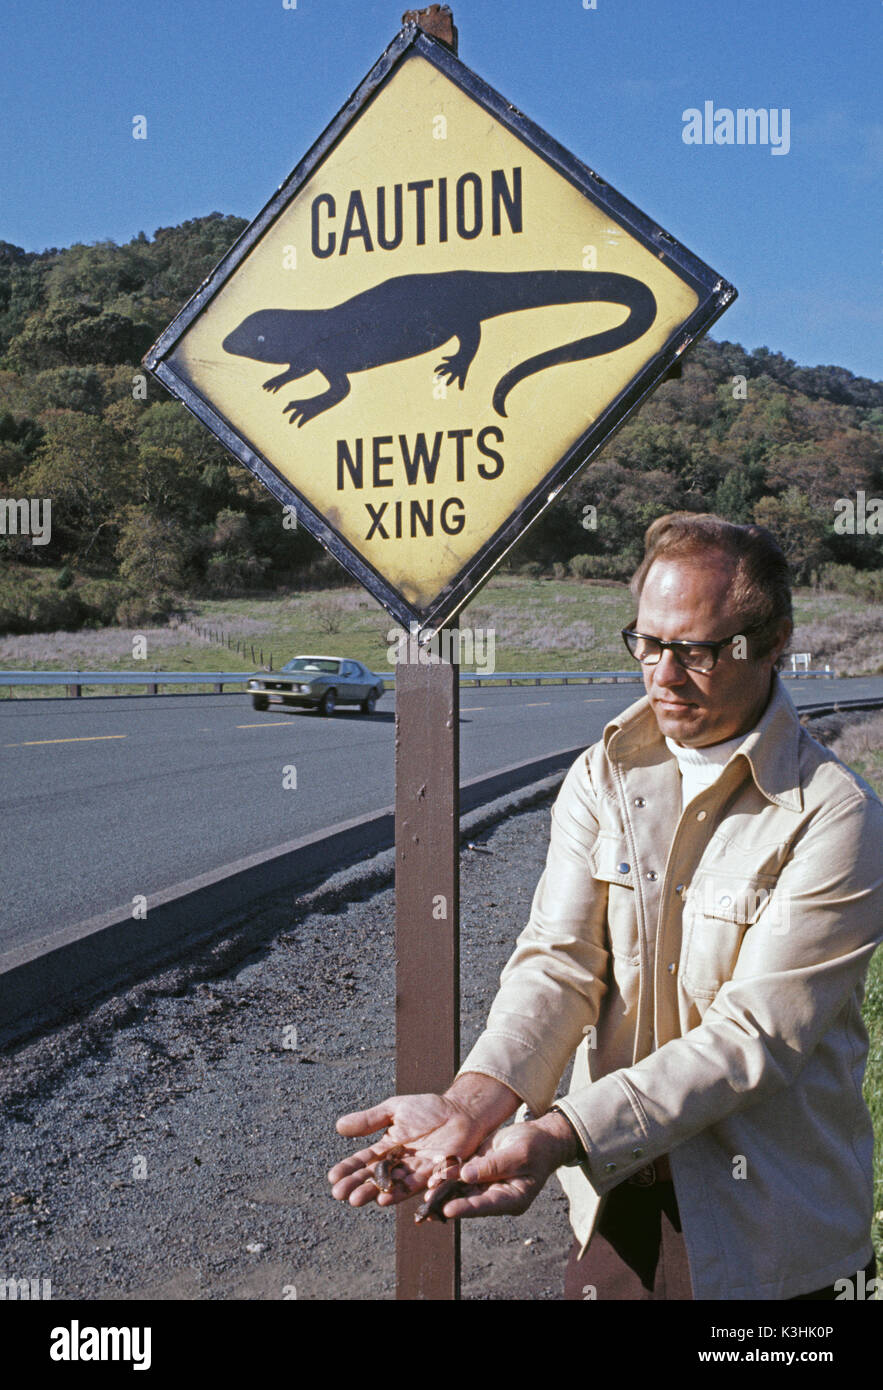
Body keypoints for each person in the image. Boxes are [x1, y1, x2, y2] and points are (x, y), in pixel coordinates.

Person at [327, 513, 883, 1300]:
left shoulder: (833, 811)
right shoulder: (603, 772)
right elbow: (559, 960)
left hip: (772, 1236)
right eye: (646, 643)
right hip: (613, 1201)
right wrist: (474, 1101)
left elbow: (754, 1038)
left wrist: (558, 1133)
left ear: (772, 641)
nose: (661, 674)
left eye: (694, 650)